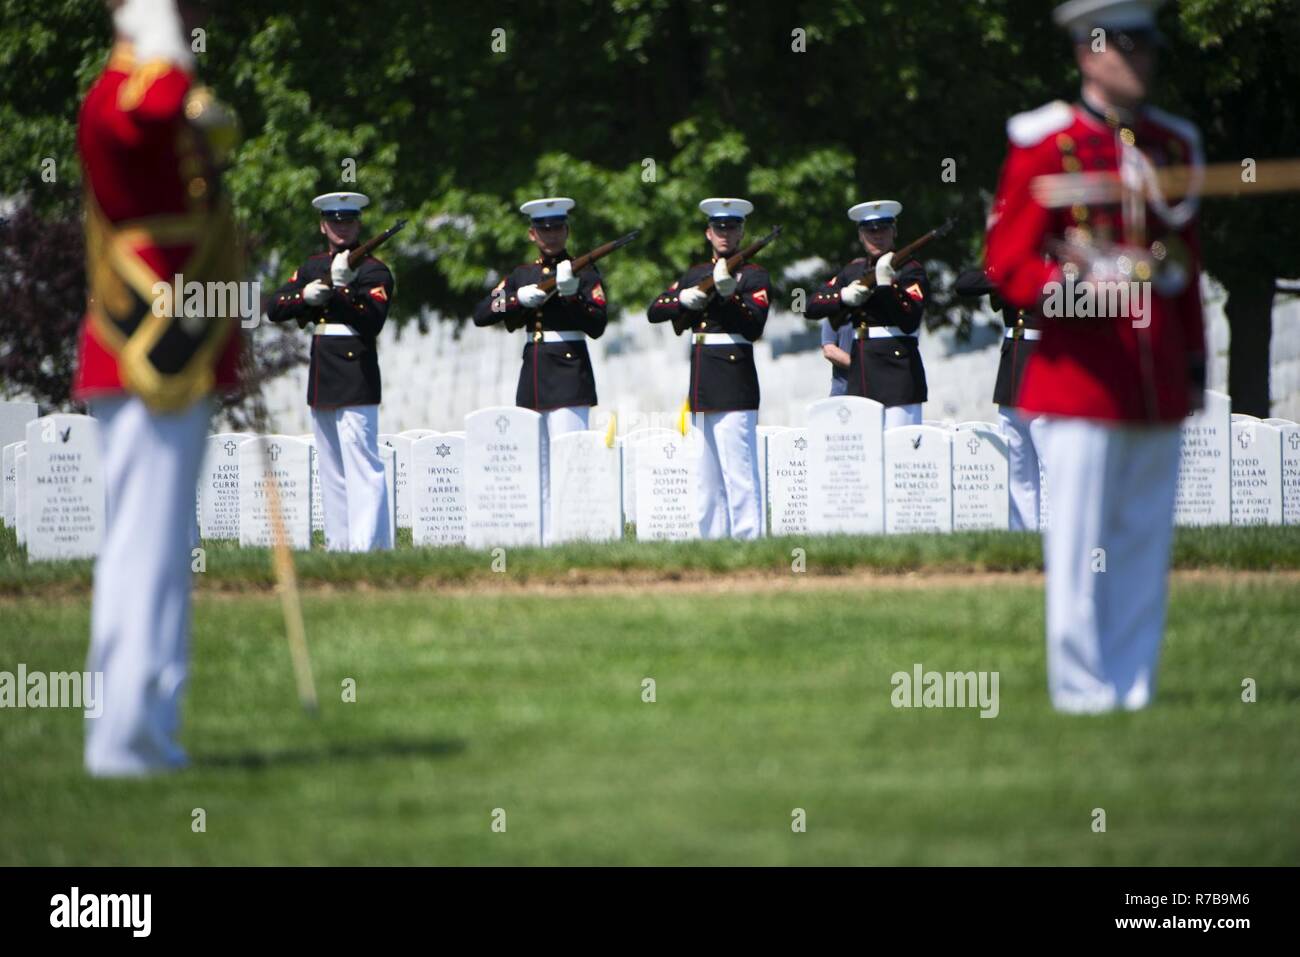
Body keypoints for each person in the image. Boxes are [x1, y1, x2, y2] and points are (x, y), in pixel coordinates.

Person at [985, 0, 1206, 712]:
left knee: (1143, 541)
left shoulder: (1172, 146)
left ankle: (1134, 684)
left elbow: (1185, 273)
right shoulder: (1046, 144)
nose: (1141, 60)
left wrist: (1192, 367)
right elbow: (1011, 266)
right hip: (1080, 378)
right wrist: (1082, 289)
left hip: (1153, 380)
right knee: (1081, 544)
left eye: (1149, 46)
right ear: (1090, 51)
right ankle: (1082, 690)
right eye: (1127, 47)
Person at [75, 0, 242, 775]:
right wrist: (160, 40)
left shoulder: (153, 91)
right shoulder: (120, 98)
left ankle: (150, 728)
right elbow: (152, 117)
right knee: (145, 548)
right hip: (145, 350)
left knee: (163, 548)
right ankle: (127, 739)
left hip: (183, 346)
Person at [471, 197, 608, 543]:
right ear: (532, 234)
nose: (551, 235)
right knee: (534, 462)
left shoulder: (586, 272)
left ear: (567, 230)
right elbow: (483, 312)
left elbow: (597, 324)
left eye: (557, 228)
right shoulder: (523, 275)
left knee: (568, 459)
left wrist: (572, 294)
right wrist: (519, 299)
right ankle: (540, 536)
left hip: (569, 374)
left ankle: (572, 535)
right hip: (533, 375)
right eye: (544, 229)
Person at [267, 192, 394, 552]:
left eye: (349, 221)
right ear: (323, 225)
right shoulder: (311, 266)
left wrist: (339, 290)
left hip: (356, 371)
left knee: (361, 464)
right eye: (335, 221)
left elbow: (372, 320)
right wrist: (305, 295)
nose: (342, 227)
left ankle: (368, 547)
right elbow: (275, 307)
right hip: (323, 371)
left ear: (358, 224)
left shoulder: (373, 270)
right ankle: (340, 547)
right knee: (332, 469)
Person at [647, 198, 771, 540]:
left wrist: (730, 296)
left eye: (732, 227)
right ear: (708, 233)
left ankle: (748, 540)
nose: (725, 234)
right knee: (706, 476)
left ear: (742, 231)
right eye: (719, 228)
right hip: (701, 382)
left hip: (735, 381)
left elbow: (754, 326)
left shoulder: (755, 276)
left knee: (739, 472)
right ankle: (711, 541)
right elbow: (655, 309)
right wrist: (683, 300)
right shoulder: (695, 275)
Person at [805, 201, 929, 428]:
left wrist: (886, 285)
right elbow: (811, 306)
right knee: (863, 455)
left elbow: (910, 320)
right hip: (860, 374)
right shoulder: (853, 270)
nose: (877, 236)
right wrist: (842, 296)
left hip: (898, 375)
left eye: (883, 229)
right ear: (861, 235)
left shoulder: (911, 270)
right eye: (869, 231)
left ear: (894, 231)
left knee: (899, 452)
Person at [954, 267, 1046, 530]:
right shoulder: (1016, 259)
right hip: (1012, 370)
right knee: (1017, 466)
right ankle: (1025, 536)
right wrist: (1008, 268)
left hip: (1045, 365)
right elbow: (965, 283)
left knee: (1055, 464)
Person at [819, 317, 854, 397]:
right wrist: (861, 366)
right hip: (844, 393)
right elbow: (829, 351)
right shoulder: (834, 314)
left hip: (878, 390)